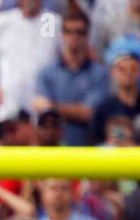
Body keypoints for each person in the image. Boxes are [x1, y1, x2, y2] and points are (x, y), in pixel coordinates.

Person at [0, 0, 61, 124]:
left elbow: (57, 52)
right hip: (9, 100)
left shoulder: (49, 21)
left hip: (41, 101)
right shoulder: (4, 21)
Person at [33, 9, 109, 146]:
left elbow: (88, 113)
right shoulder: (47, 72)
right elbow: (40, 109)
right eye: (69, 31)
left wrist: (52, 107)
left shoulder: (99, 74)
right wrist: (73, 110)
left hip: (87, 148)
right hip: (52, 150)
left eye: (80, 32)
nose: (74, 36)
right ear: (62, 34)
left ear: (87, 35)